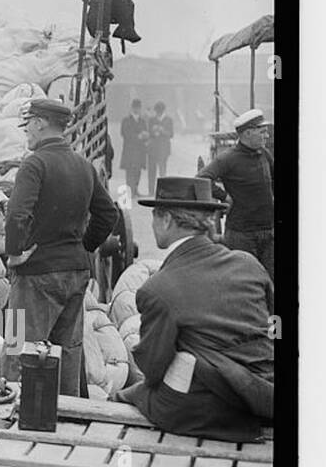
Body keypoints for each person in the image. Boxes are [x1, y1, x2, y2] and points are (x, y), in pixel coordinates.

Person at [116, 177, 273, 441]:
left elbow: (153, 368)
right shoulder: (249, 264)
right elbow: (275, 320)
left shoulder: (157, 288)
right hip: (264, 393)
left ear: (165, 220)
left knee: (132, 393)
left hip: (206, 408)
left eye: (155, 217)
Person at [4, 98, 119, 396]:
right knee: (68, 350)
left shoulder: (35, 163)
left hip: (36, 274)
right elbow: (108, 214)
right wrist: (83, 247)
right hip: (75, 271)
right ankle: (67, 415)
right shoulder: (83, 165)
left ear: (40, 123)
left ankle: (17, 415)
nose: (26, 131)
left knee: (19, 348)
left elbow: (17, 215)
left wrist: (15, 253)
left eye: (28, 124)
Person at [199, 109, 274, 279]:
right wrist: (224, 197)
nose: (266, 137)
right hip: (241, 235)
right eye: (262, 132)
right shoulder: (228, 159)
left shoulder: (265, 155)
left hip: (269, 232)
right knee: (243, 281)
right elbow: (202, 178)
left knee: (271, 283)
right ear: (248, 133)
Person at [119, 99, 150, 200]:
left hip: (140, 150)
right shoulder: (126, 120)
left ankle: (135, 189)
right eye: (135, 107)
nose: (137, 109)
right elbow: (124, 133)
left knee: (138, 170)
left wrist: (146, 136)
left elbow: (146, 132)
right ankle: (129, 191)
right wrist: (138, 137)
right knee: (130, 171)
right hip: (130, 150)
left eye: (138, 107)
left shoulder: (142, 121)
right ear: (132, 108)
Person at [147, 101, 174, 195]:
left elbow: (171, 134)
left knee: (162, 170)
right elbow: (149, 133)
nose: (158, 113)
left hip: (164, 148)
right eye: (157, 111)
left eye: (160, 111)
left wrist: (162, 131)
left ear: (163, 111)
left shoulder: (168, 120)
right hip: (153, 148)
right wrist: (153, 131)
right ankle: (151, 191)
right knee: (152, 170)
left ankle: (162, 191)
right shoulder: (151, 120)